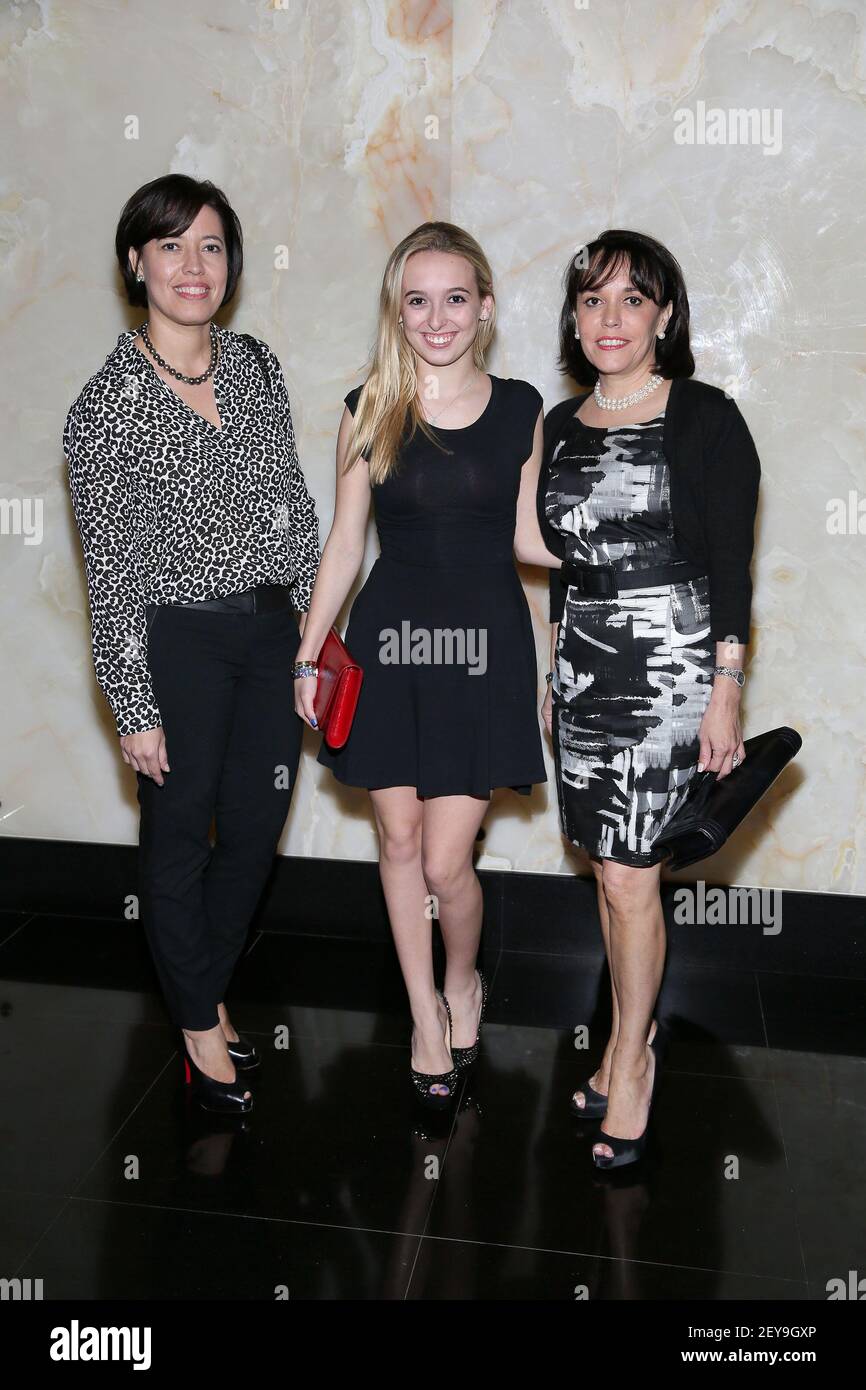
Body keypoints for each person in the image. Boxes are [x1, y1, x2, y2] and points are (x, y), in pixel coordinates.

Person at [63, 174, 320, 1114]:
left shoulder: (256, 366)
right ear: (136, 261)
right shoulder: (106, 408)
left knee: (255, 834)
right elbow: (113, 578)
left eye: (210, 245)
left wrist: (313, 628)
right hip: (179, 642)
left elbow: (291, 504)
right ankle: (201, 1028)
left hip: (272, 631)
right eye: (171, 246)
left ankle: (199, 995)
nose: (192, 265)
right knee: (179, 838)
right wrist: (133, 708)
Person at [294, 221, 562, 1108]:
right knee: (398, 841)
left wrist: (626, 549)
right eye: (418, 300)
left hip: (483, 650)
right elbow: (343, 545)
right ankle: (421, 1012)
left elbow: (530, 538)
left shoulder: (523, 408)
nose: (436, 318)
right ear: (396, 310)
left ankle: (462, 978)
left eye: (455, 298)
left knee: (450, 864)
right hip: (388, 643)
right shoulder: (368, 405)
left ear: (485, 308)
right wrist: (309, 649)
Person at [536, 229, 760, 1168]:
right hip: (583, 677)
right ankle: (628, 1038)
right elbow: (562, 566)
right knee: (606, 872)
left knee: (633, 878)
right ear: (574, 320)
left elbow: (728, 568)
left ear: (665, 314)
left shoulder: (706, 416)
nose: (611, 318)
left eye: (633, 299)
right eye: (593, 300)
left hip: (671, 679)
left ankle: (631, 1059)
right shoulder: (556, 426)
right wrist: (552, 671)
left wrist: (727, 690)